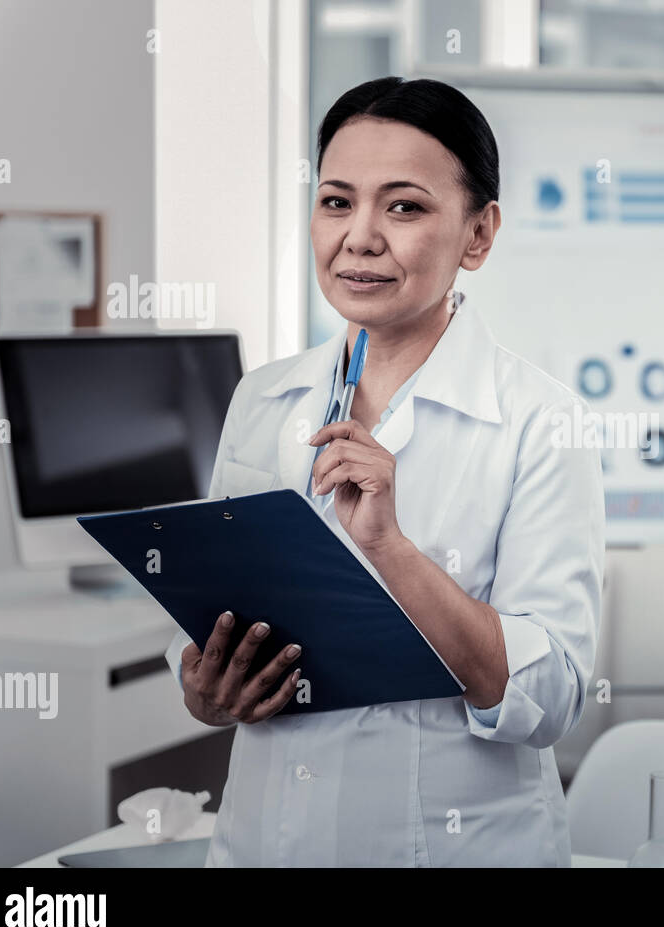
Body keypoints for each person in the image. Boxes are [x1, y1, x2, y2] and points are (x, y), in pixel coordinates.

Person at [162, 76, 605, 866]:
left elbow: (550, 698)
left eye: (403, 206)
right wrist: (204, 686)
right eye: (337, 201)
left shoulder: (542, 420)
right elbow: (208, 616)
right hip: (266, 842)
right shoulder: (264, 398)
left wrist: (393, 550)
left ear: (478, 234)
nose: (360, 236)